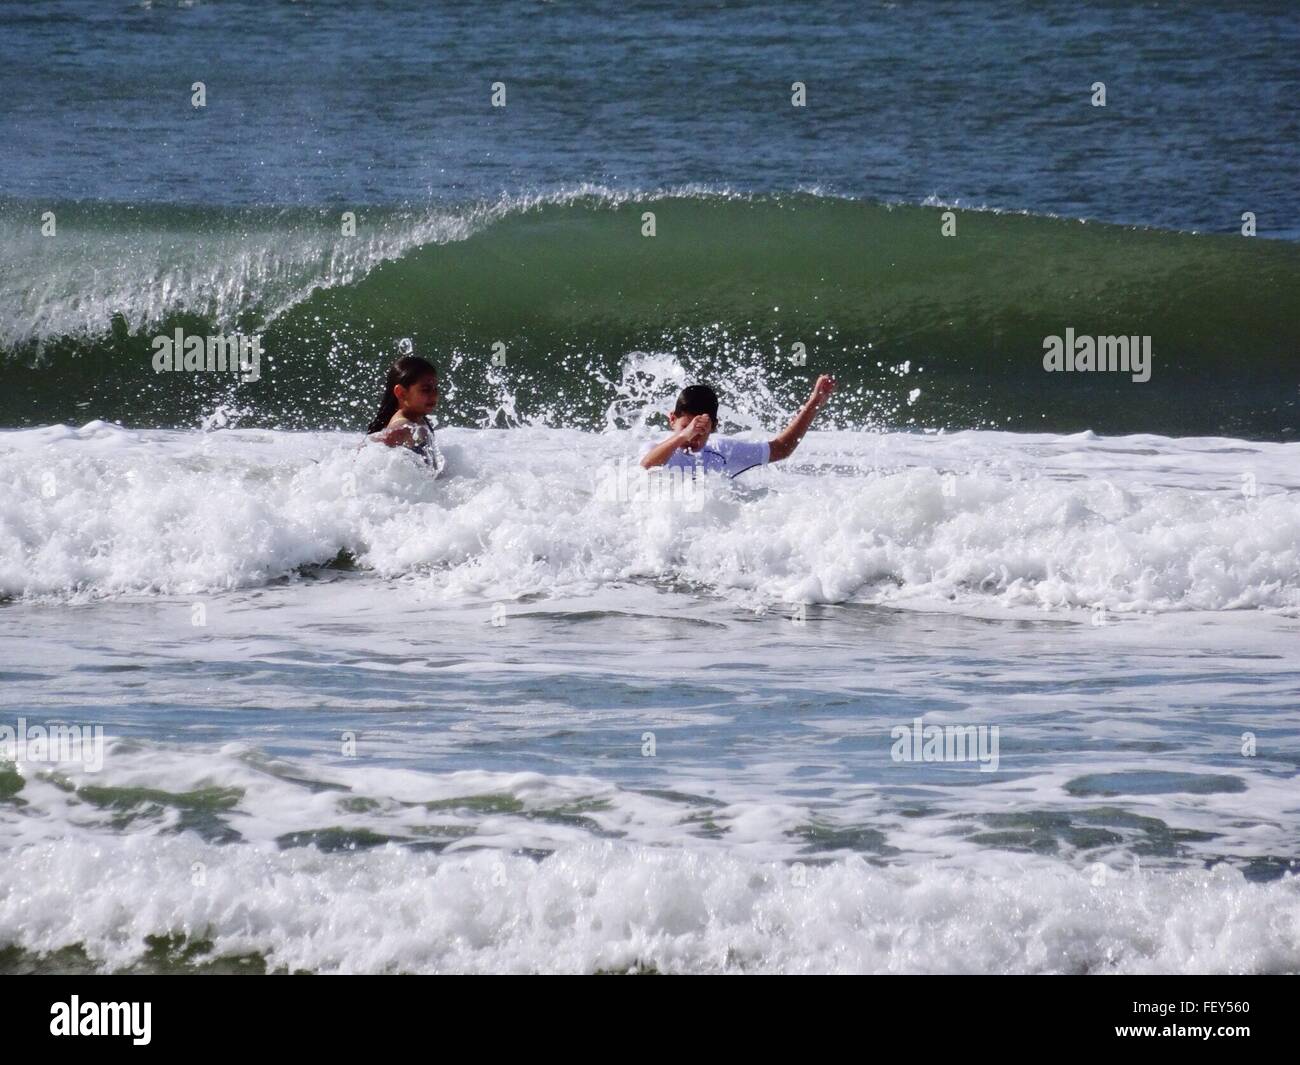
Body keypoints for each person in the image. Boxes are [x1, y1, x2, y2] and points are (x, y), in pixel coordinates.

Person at [639, 376, 836, 478]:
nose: (692, 437)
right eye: (685, 426)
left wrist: (814, 403)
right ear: (672, 419)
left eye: (700, 431)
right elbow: (646, 466)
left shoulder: (722, 452)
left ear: (713, 427)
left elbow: (781, 448)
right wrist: (683, 436)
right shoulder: (653, 450)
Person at [365, 355, 442, 468]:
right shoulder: (402, 426)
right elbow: (367, 454)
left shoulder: (418, 420)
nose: (434, 394)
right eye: (426, 389)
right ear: (401, 393)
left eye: (435, 388)